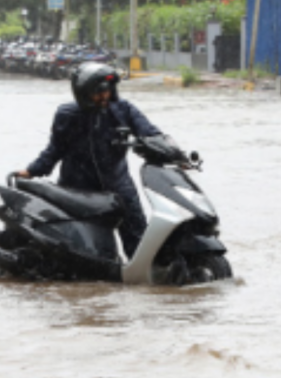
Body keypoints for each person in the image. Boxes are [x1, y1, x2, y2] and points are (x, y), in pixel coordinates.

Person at [15, 62, 170, 259]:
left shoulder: (123, 109)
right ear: (83, 93)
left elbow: (150, 132)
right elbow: (55, 149)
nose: (105, 96)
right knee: (79, 249)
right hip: (76, 191)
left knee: (138, 242)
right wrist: (32, 171)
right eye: (99, 92)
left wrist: (172, 153)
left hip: (118, 186)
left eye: (108, 91)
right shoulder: (67, 115)